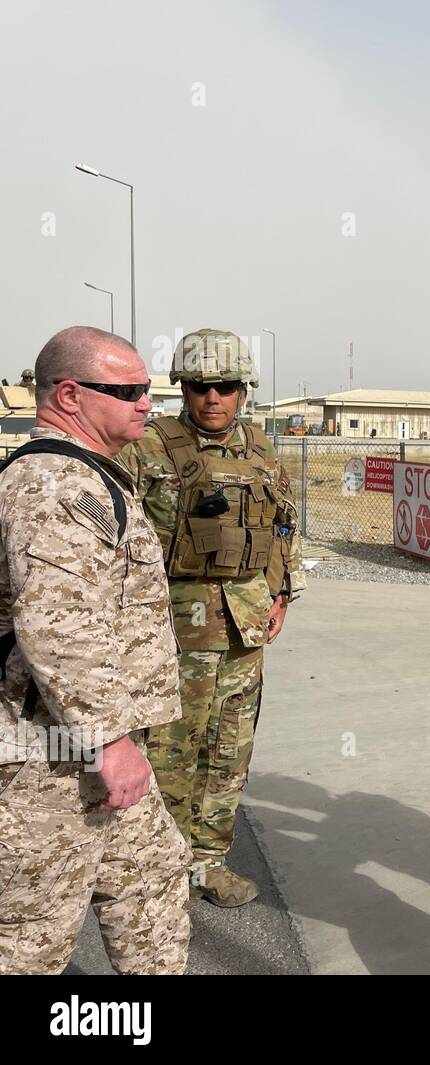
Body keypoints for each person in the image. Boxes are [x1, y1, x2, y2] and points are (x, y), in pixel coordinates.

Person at [0, 326, 190, 974]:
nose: (146, 402)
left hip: (80, 747)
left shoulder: (87, 475)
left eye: (148, 389)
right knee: (32, 935)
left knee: (154, 886)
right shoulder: (55, 484)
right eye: (130, 389)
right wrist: (110, 741)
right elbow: (58, 620)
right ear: (72, 395)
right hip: (42, 760)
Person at [117, 329, 304, 907]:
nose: (213, 398)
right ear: (183, 389)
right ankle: (161, 866)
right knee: (171, 750)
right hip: (174, 629)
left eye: (225, 386)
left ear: (243, 391)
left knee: (229, 752)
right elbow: (112, 535)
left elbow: (283, 524)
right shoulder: (146, 449)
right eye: (200, 387)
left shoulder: (262, 449)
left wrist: (282, 592)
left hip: (244, 627)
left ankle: (208, 861)